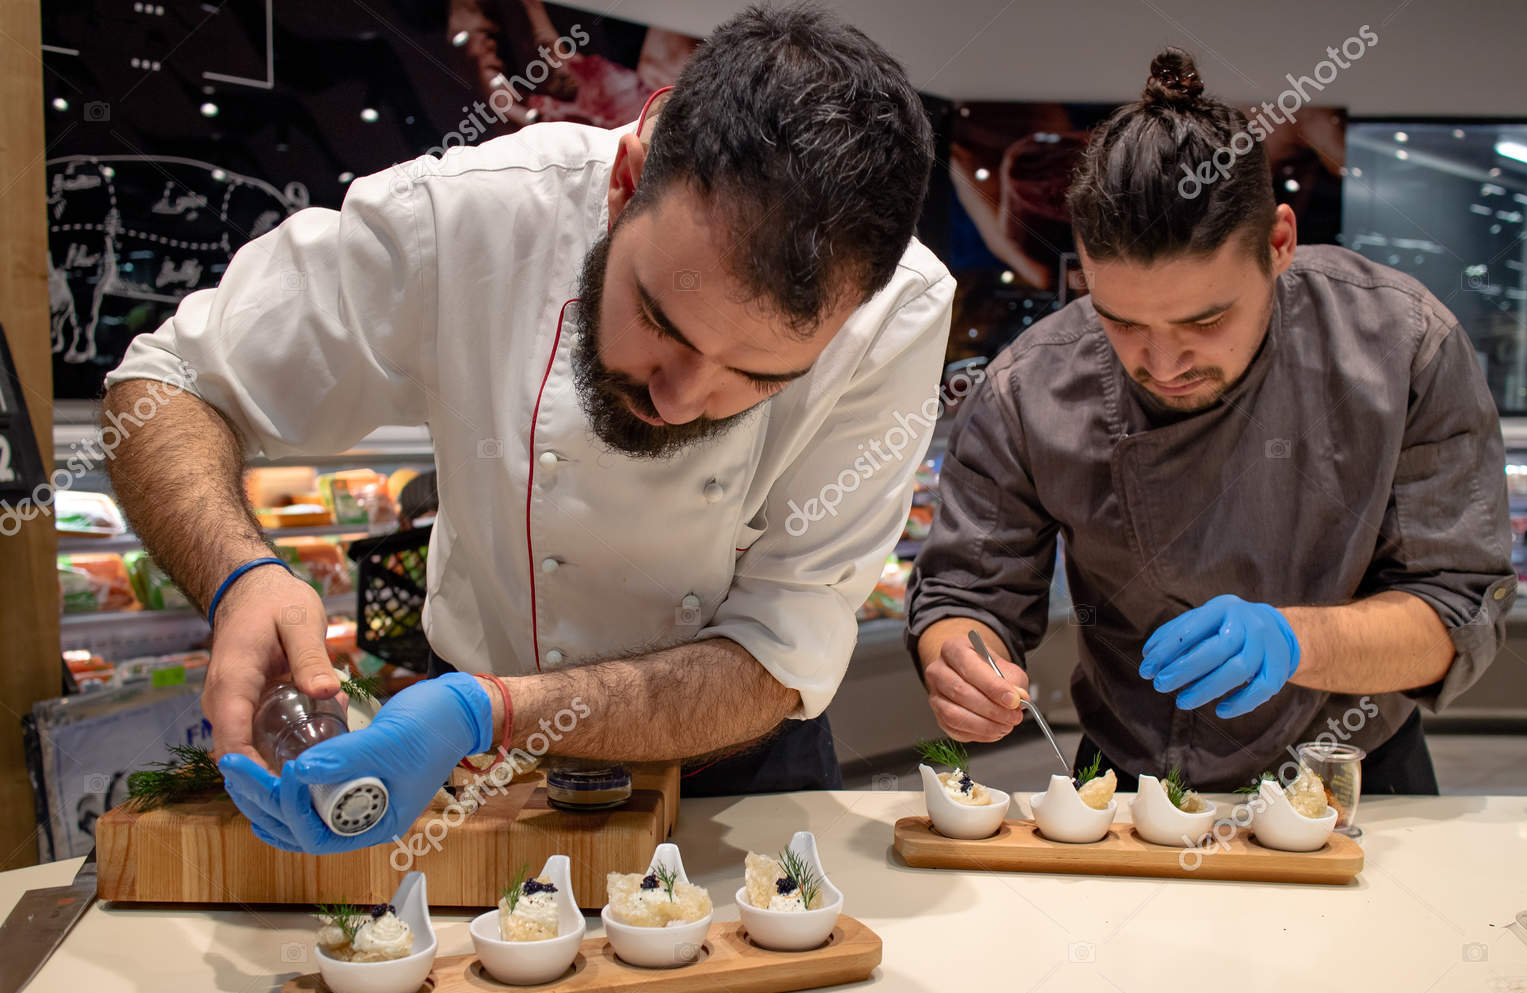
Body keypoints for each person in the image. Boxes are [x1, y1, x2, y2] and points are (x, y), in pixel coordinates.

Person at [101, 4, 953, 852]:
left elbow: (780, 646)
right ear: (627, 183)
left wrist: (492, 711)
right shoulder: (471, 216)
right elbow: (167, 381)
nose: (681, 399)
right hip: (476, 775)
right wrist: (241, 575)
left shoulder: (899, 315)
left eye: (761, 376)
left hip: (738, 783)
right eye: (661, 321)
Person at [905, 48, 1514, 794]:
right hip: (1127, 780)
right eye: (1121, 322)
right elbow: (965, 597)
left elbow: (1455, 609)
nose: (1163, 363)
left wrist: (1297, 642)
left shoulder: (1403, 345)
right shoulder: (1027, 387)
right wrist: (964, 663)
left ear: (1280, 242)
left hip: (1352, 771)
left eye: (1207, 318)